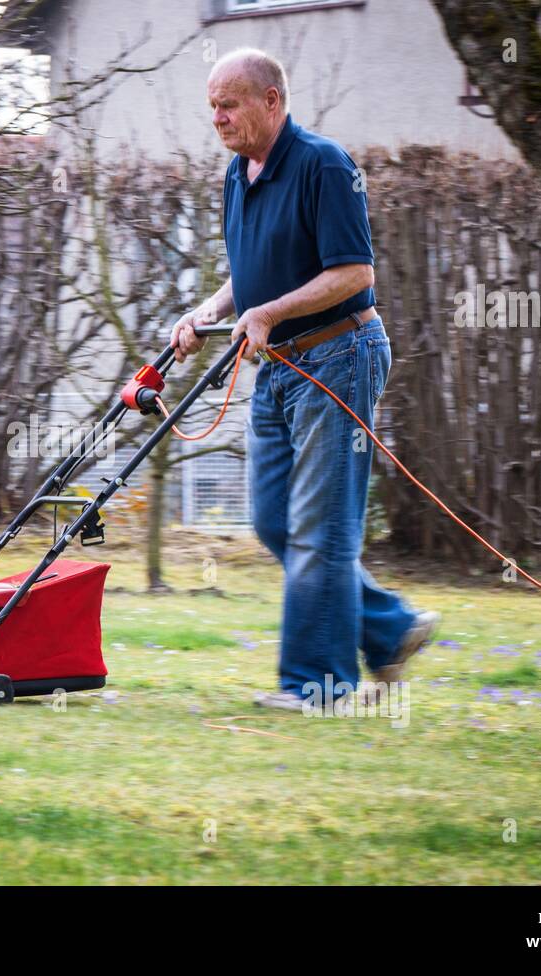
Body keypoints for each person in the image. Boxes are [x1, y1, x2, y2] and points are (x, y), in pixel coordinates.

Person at [170, 48, 438, 711]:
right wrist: (207, 312)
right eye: (211, 106)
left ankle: (317, 687)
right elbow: (255, 270)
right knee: (274, 521)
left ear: (270, 100)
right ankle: (390, 626)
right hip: (280, 368)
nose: (218, 118)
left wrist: (267, 312)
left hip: (338, 356)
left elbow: (353, 273)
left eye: (228, 104)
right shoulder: (239, 176)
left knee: (320, 526)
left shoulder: (324, 164)